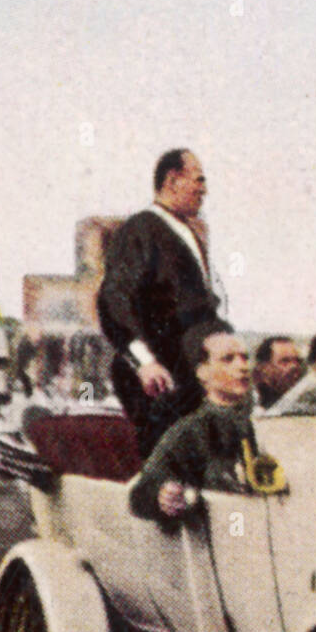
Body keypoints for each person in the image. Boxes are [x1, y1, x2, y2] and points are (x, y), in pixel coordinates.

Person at [98, 148, 227, 456]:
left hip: (189, 370)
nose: (204, 189)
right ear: (172, 180)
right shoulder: (142, 229)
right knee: (167, 467)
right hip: (161, 375)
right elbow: (114, 301)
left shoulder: (185, 230)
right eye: (198, 179)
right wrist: (144, 361)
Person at [130, 322, 257, 519]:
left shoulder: (266, 422)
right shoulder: (190, 430)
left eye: (245, 357)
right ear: (202, 372)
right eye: (228, 359)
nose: (243, 366)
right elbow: (143, 491)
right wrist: (163, 495)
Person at [253, 336, 305, 409]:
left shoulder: (304, 405)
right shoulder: (250, 408)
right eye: (285, 361)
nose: (294, 366)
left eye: (297, 361)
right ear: (263, 368)